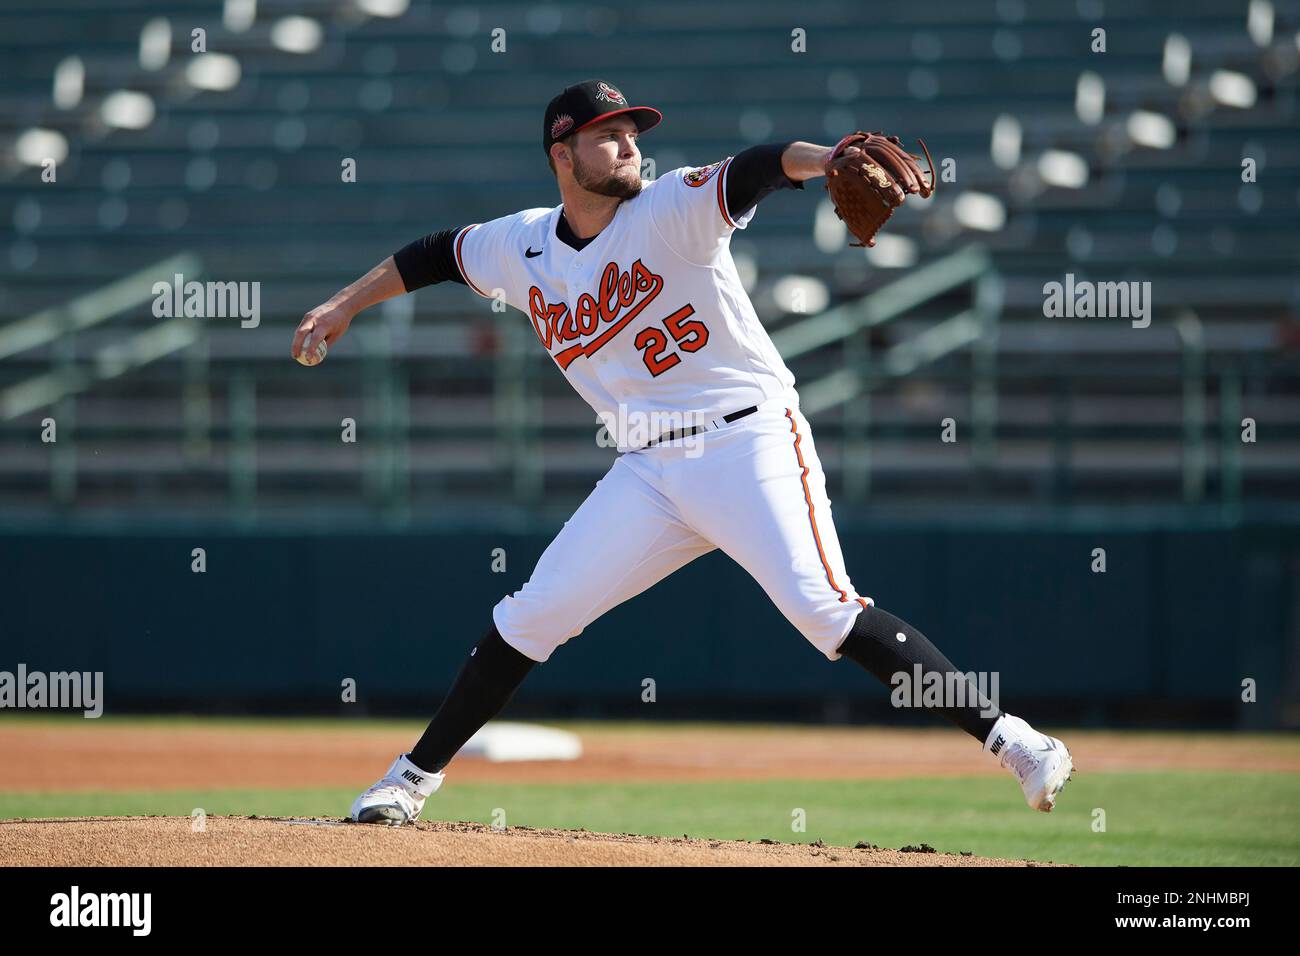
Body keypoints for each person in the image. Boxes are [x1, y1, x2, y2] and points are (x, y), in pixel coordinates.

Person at [291, 79, 1073, 827]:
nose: (629, 144)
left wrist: (827, 154)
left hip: (747, 438)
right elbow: (433, 253)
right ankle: (409, 780)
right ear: (562, 154)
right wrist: (341, 305)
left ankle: (1018, 742)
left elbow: (760, 167)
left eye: (633, 132)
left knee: (824, 610)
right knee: (531, 616)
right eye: (609, 134)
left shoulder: (670, 208)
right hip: (647, 470)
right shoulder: (522, 246)